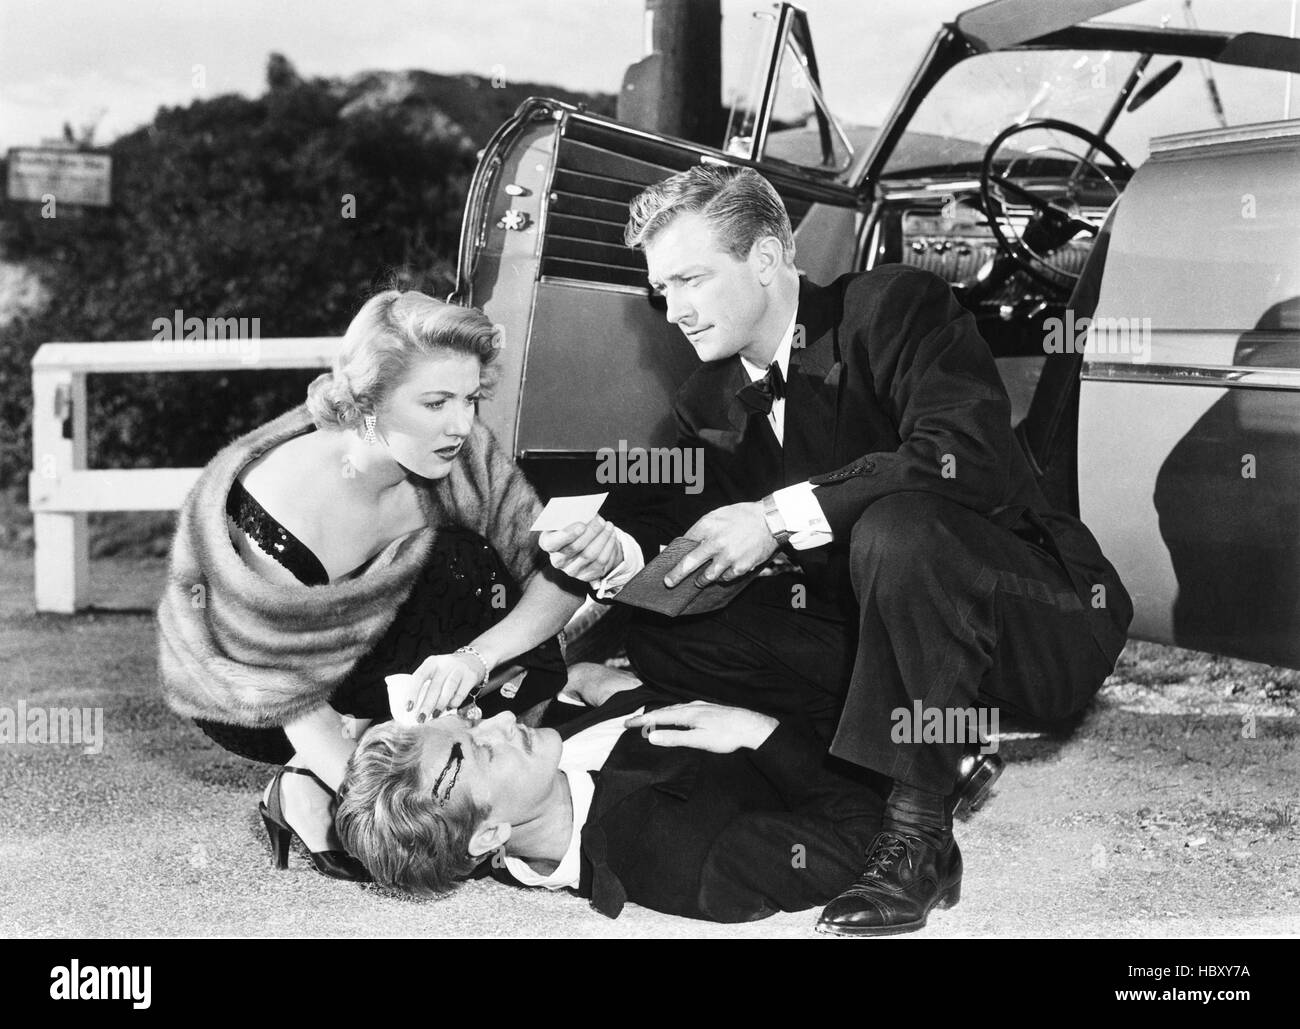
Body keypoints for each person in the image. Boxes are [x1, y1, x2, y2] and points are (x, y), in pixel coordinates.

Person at [540, 166, 1133, 936]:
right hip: (889, 643)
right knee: (667, 631)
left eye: (690, 278)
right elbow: (651, 508)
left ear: (764, 258)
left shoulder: (893, 306)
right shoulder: (710, 396)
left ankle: (919, 834)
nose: (675, 309)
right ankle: (902, 766)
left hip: (1032, 619)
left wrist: (777, 517)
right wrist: (612, 549)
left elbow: (965, 454)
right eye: (662, 289)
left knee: (900, 526)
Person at [157, 290, 584, 880]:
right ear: (367, 403)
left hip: (380, 655)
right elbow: (284, 693)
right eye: (435, 402)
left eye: (471, 398)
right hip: (259, 694)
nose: (461, 423)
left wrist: (476, 659)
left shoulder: (459, 450)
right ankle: (306, 785)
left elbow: (559, 576)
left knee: (467, 560)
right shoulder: (286, 508)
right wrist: (403, 818)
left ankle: (365, 752)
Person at [335, 665, 889, 922]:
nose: (502, 720)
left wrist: (599, 682)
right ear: (489, 835)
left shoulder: (535, 785)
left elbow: (570, 683)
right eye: (486, 750)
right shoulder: (696, 862)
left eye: (473, 724)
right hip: (871, 711)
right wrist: (756, 732)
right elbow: (869, 846)